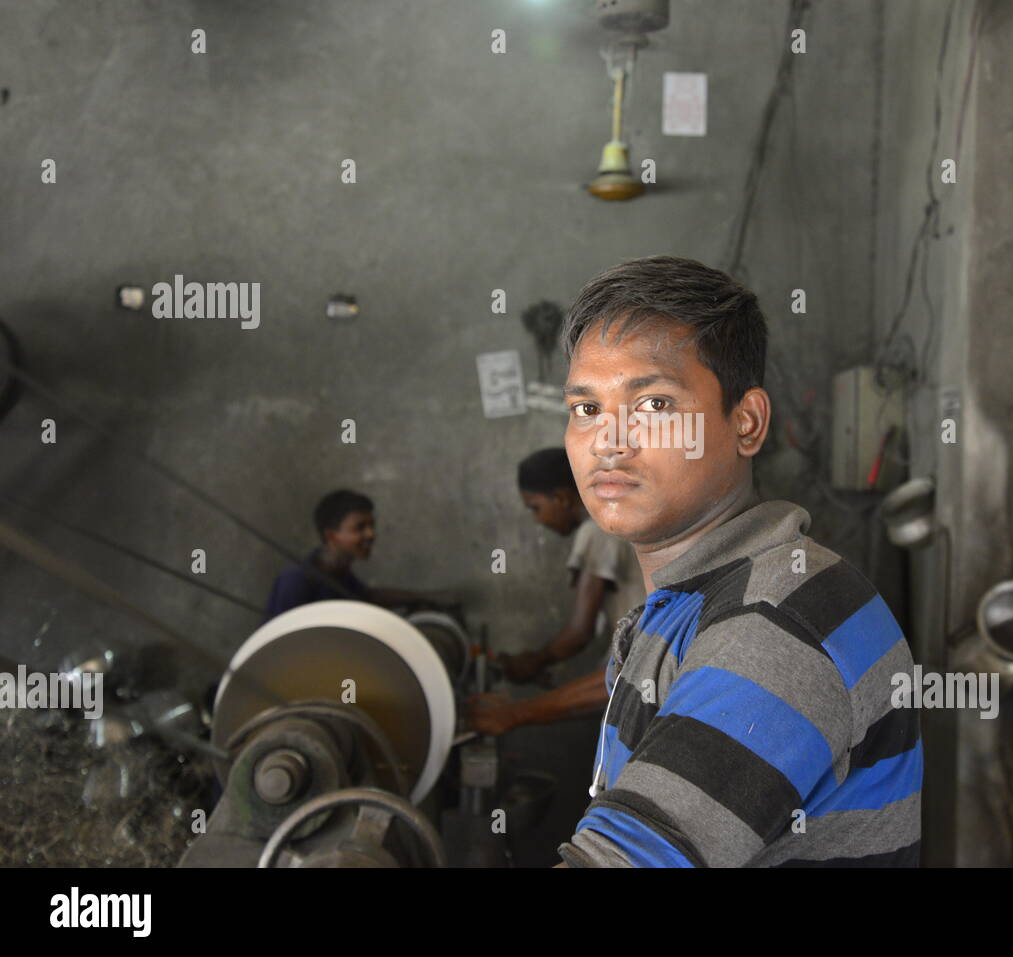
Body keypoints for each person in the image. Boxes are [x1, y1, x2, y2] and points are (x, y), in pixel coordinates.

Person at [553, 255, 923, 868]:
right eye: (586, 409)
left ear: (746, 423)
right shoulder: (687, 604)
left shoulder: (778, 619)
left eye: (653, 405)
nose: (608, 441)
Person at [465, 448, 646, 734]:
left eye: (535, 507)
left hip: (640, 671)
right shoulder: (618, 517)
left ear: (561, 498)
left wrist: (534, 661)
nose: (537, 520)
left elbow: (579, 632)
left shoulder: (596, 530)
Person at [263, 489, 450, 620]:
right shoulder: (296, 581)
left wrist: (424, 597)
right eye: (359, 528)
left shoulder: (338, 572)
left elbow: (366, 597)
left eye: (371, 526)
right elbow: (284, 645)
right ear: (332, 536)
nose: (371, 534)